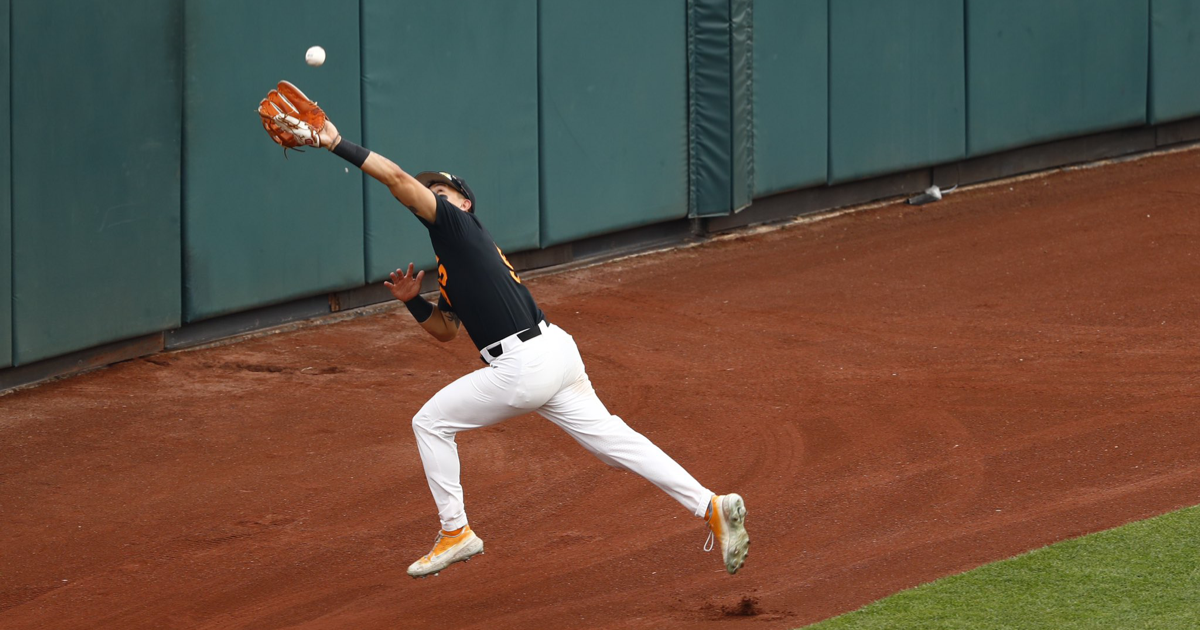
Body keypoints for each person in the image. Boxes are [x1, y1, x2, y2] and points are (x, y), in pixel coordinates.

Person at [261, 83, 748, 578]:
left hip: (525, 366)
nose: (433, 195)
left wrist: (335, 141)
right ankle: (711, 506)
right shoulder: (458, 262)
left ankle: (456, 531)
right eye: (434, 192)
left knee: (430, 423)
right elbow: (448, 331)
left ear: (464, 205)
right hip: (556, 354)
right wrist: (414, 304)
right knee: (615, 443)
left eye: (443, 191)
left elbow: (396, 179)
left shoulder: (454, 226)